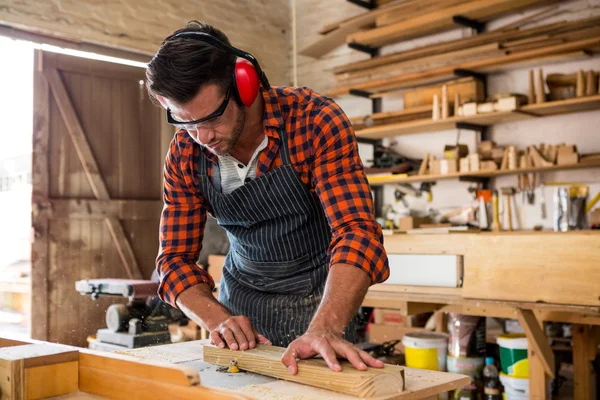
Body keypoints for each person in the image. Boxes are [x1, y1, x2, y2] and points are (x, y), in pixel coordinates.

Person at [147, 21, 389, 374]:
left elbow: (357, 233)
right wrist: (217, 321)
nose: (202, 137)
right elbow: (173, 261)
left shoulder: (313, 121)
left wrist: (326, 327)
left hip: (319, 306)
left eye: (212, 117)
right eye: (185, 123)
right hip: (239, 304)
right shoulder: (186, 152)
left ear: (244, 85)